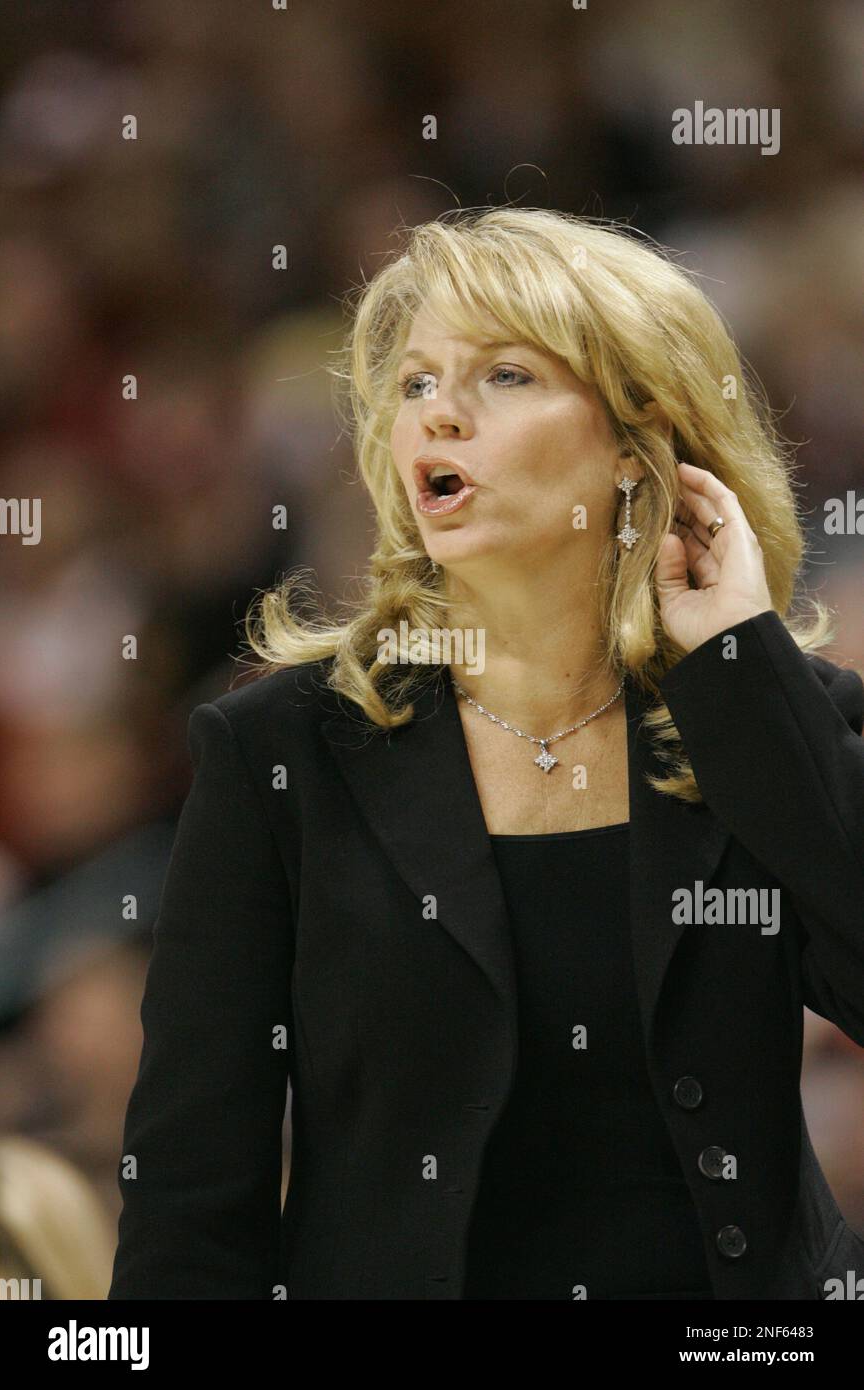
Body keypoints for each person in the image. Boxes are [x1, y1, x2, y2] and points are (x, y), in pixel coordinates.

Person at [108, 207, 864, 1301]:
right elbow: (190, 1192)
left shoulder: (759, 720)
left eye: (503, 376)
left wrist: (739, 666)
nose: (438, 418)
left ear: (635, 441)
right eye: (416, 383)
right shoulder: (282, 755)